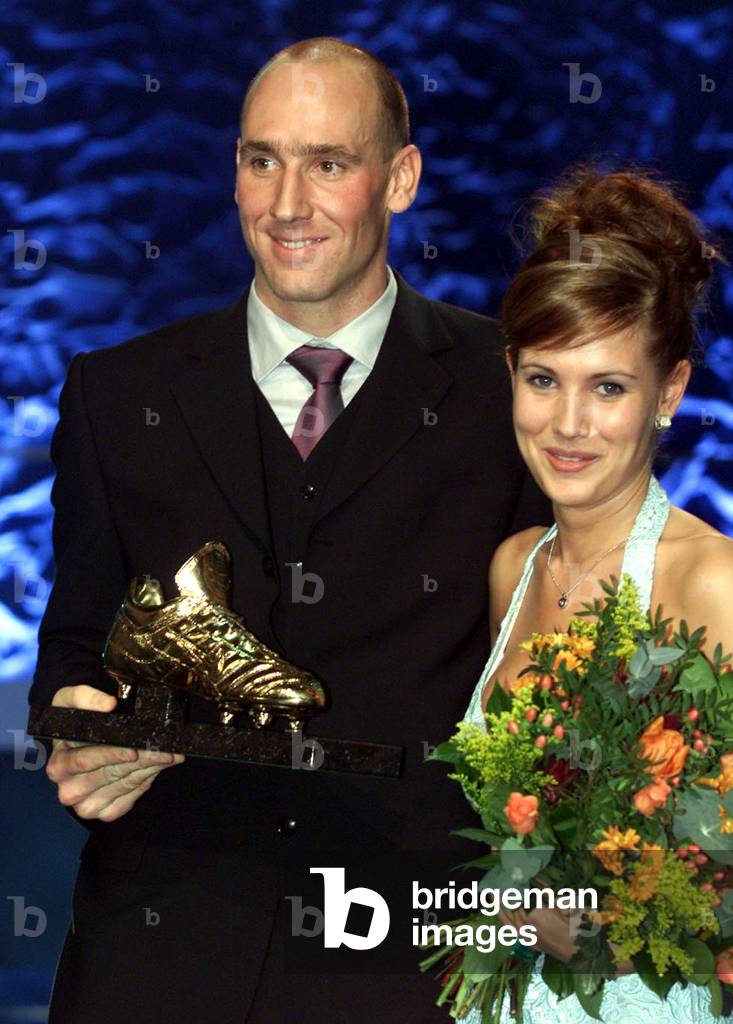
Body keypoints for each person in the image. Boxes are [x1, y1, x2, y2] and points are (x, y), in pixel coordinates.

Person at [31, 38, 549, 1023]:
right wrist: (80, 724)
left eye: (327, 163)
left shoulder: (512, 392)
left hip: (409, 957)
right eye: (260, 159)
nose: (284, 203)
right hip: (161, 949)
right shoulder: (118, 392)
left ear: (398, 180)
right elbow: (74, 634)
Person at [460, 163, 733, 1023]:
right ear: (510, 373)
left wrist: (575, 926)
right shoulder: (513, 568)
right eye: (543, 379)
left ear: (670, 392)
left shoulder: (713, 580)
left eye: (607, 386)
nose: (568, 424)